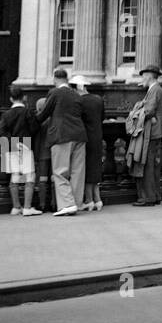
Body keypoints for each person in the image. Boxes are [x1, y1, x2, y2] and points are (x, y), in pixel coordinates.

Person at [38, 67, 86, 217]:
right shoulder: (76, 94)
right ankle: (77, 203)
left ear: (55, 79)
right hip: (80, 134)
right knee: (77, 172)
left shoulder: (55, 93)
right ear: (67, 78)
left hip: (61, 135)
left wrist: (33, 120)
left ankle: (67, 204)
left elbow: (44, 113)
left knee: (60, 171)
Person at [130, 65, 162, 206]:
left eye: (143, 76)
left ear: (149, 76)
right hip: (157, 131)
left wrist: (135, 112)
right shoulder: (160, 90)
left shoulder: (154, 91)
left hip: (150, 133)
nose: (142, 79)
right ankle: (155, 196)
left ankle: (147, 198)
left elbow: (149, 111)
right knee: (154, 166)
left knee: (147, 166)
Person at [0, 84, 38, 216]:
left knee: (14, 176)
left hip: (11, 146)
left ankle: (16, 207)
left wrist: (13, 141)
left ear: (11, 99)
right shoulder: (28, 112)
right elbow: (34, 129)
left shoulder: (6, 114)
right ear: (24, 97)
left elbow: (2, 131)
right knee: (30, 176)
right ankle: (27, 207)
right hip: (26, 144)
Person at [74, 77, 105, 211]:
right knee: (95, 167)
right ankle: (97, 200)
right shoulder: (98, 99)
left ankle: (89, 200)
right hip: (98, 136)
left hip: (84, 137)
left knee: (85, 168)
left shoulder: (79, 101)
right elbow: (102, 117)